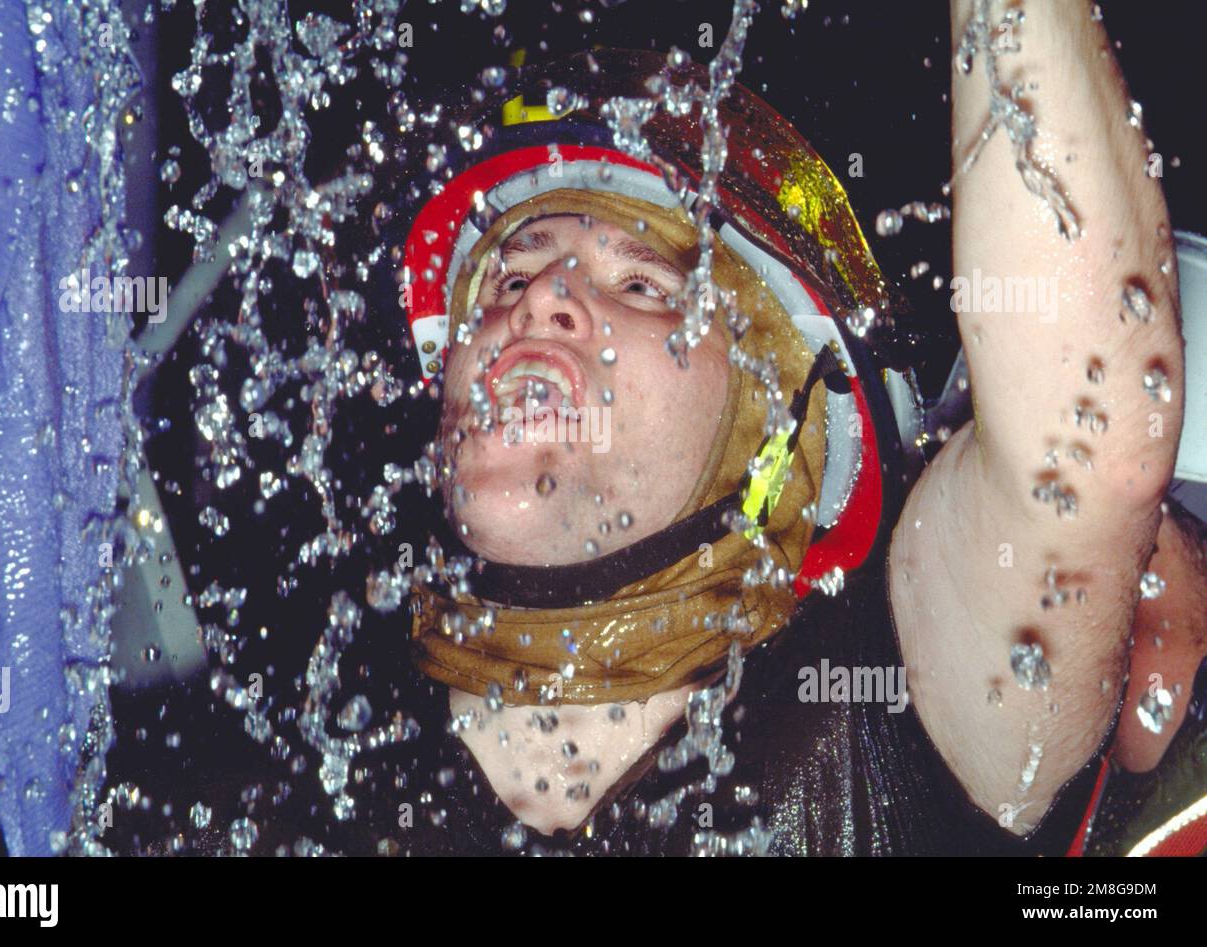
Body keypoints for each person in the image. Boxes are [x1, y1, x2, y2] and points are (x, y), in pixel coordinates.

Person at [327, 7, 1203, 856]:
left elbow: (1085, 432)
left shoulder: (883, 704)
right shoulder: (320, 749)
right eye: (507, 278)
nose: (544, 296)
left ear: (772, 434)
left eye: (642, 286)